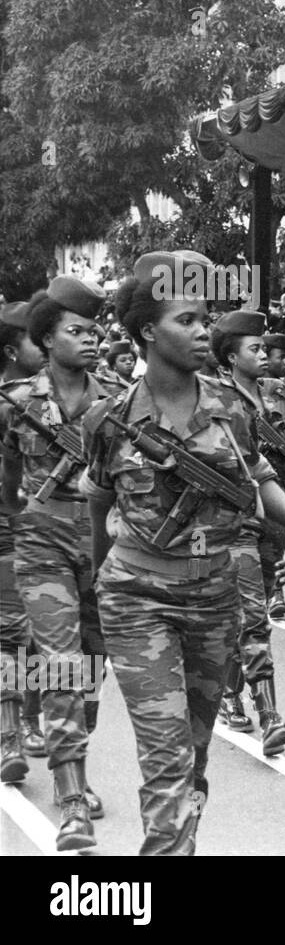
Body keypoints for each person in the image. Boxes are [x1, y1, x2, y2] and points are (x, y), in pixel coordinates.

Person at [82, 250, 285, 855]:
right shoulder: (108, 420)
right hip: (138, 599)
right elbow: (95, 507)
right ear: (145, 332)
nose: (202, 332)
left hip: (215, 598)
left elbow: (259, 478)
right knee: (166, 758)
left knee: (193, 754)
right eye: (186, 320)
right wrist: (94, 594)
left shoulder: (233, 407)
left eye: (204, 319)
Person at [0, 278, 114, 850]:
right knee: (60, 660)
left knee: (93, 660)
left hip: (103, 547)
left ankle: (72, 747)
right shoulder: (17, 402)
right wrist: (20, 517)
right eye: (77, 331)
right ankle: (71, 795)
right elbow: (7, 484)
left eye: (96, 331)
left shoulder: (118, 399)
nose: (92, 340)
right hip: (41, 546)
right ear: (46, 339)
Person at [209, 311, 285, 754]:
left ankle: (235, 692)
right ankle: (266, 711)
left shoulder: (269, 396)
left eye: (265, 349)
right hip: (226, 528)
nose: (264, 355)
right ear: (230, 357)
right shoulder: (215, 398)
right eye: (255, 349)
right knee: (248, 617)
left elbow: (261, 464)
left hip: (265, 519)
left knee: (253, 610)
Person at [0, 300, 49, 788]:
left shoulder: (48, 398)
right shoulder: (11, 404)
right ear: (14, 350)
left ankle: (31, 721)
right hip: (8, 525)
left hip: (43, 526)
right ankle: (10, 733)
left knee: (43, 635)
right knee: (12, 633)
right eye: (38, 340)